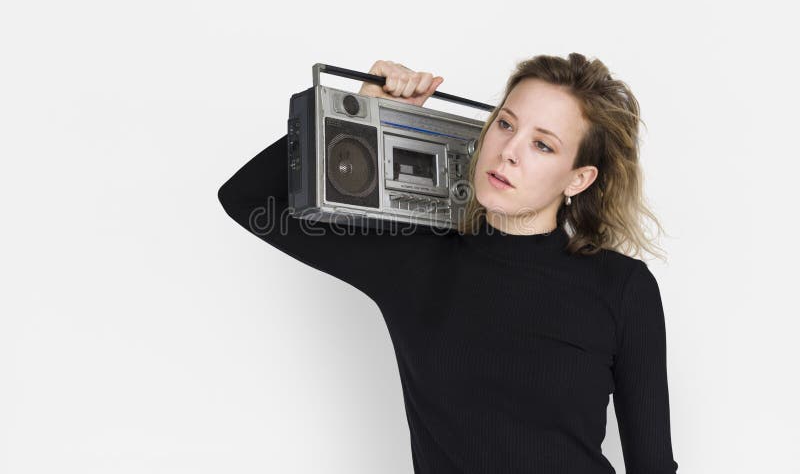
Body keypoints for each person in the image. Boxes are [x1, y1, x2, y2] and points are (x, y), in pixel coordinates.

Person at [218, 55, 679, 473]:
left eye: (542, 145)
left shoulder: (622, 286)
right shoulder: (414, 258)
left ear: (578, 178)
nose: (509, 151)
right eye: (505, 124)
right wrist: (354, 113)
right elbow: (247, 199)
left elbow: (653, 466)